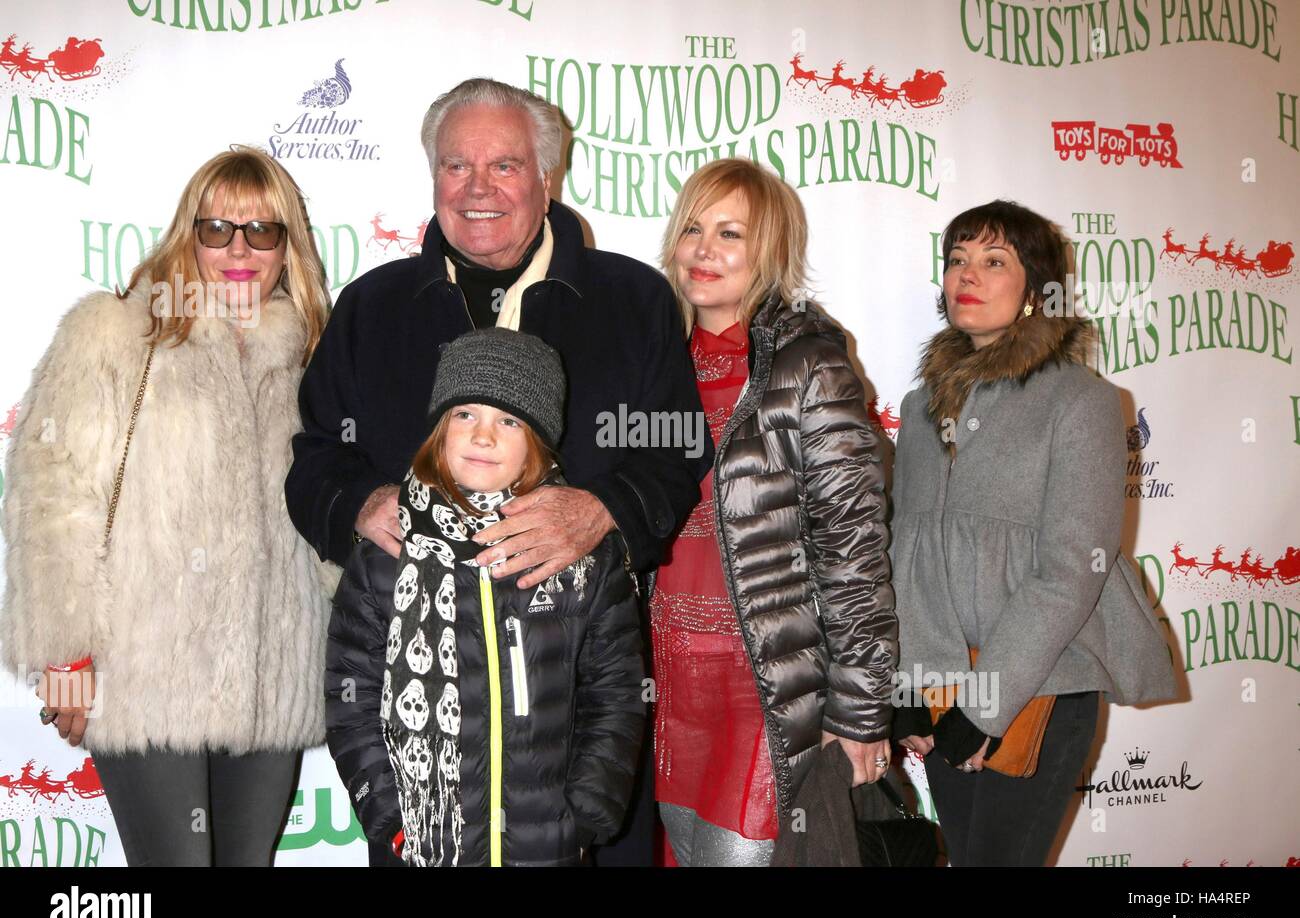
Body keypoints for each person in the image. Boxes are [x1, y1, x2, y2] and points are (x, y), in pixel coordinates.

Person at [286, 77, 707, 864]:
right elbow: (314, 455)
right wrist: (358, 503)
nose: (478, 188)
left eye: (505, 166)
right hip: (424, 749)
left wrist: (604, 509)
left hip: (573, 719)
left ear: (548, 178)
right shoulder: (372, 307)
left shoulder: (631, 299)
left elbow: (677, 447)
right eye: (456, 166)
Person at [0, 146, 334, 866]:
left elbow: (326, 527)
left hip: (270, 678)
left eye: (262, 231)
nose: (238, 249)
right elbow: (52, 498)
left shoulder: (311, 359)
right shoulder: (117, 334)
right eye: (217, 229)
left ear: (288, 247)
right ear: (189, 235)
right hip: (144, 675)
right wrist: (64, 655)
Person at [889, 199, 1177, 866]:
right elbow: (906, 553)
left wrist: (983, 708)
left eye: (994, 261)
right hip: (939, 690)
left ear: (1036, 289)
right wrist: (905, 687)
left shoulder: (1082, 400)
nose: (969, 274)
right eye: (958, 259)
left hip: (1039, 687)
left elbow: (1073, 567)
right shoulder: (919, 406)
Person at [650, 158, 897, 866]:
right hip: (666, 687)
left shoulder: (810, 367)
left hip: (765, 692)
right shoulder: (652, 363)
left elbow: (854, 551)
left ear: (771, 253)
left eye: (731, 232)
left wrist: (857, 712)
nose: (704, 249)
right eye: (693, 228)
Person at [325, 329, 645, 866]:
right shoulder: (385, 557)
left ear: (536, 449)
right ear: (439, 432)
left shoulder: (583, 560)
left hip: (547, 847)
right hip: (423, 848)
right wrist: (391, 820)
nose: (483, 436)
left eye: (509, 421)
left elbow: (615, 693)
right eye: (465, 415)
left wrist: (585, 816)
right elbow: (350, 697)